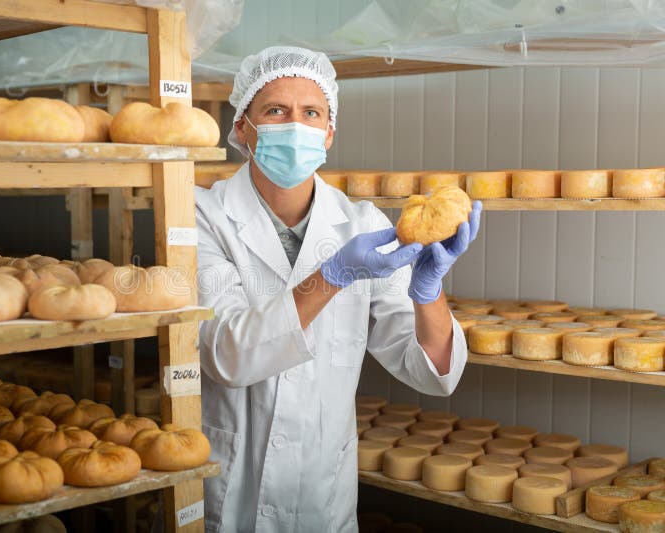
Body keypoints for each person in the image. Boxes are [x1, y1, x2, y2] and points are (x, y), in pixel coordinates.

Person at [195, 46, 482, 532]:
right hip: (231, 486)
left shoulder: (362, 225)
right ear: (243, 127)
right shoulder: (203, 217)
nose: (295, 124)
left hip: (320, 492)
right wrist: (331, 277)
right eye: (275, 110)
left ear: (328, 131)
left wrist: (427, 289)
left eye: (311, 112)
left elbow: (432, 373)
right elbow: (228, 354)